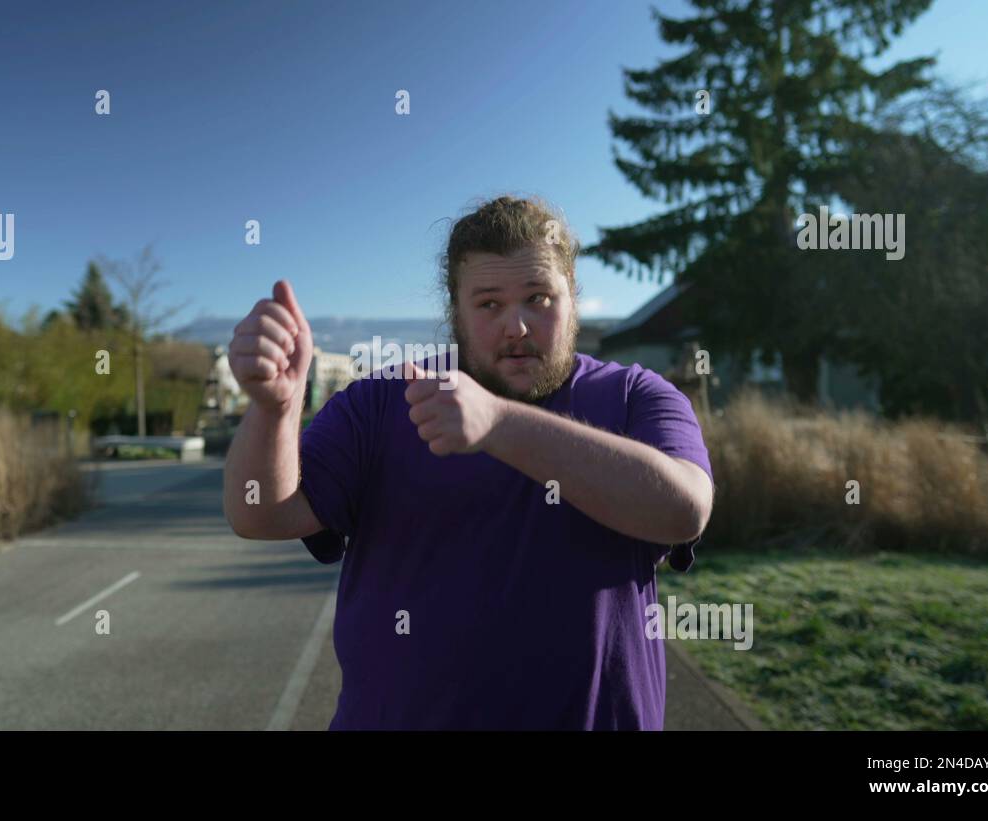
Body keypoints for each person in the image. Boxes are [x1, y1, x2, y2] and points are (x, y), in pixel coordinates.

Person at [223, 195, 714, 730]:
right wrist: (275, 409)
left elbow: (684, 509)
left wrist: (499, 424)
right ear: (454, 309)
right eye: (488, 304)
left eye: (538, 298)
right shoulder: (382, 401)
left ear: (571, 296)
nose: (517, 327)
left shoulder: (636, 395)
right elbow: (260, 514)